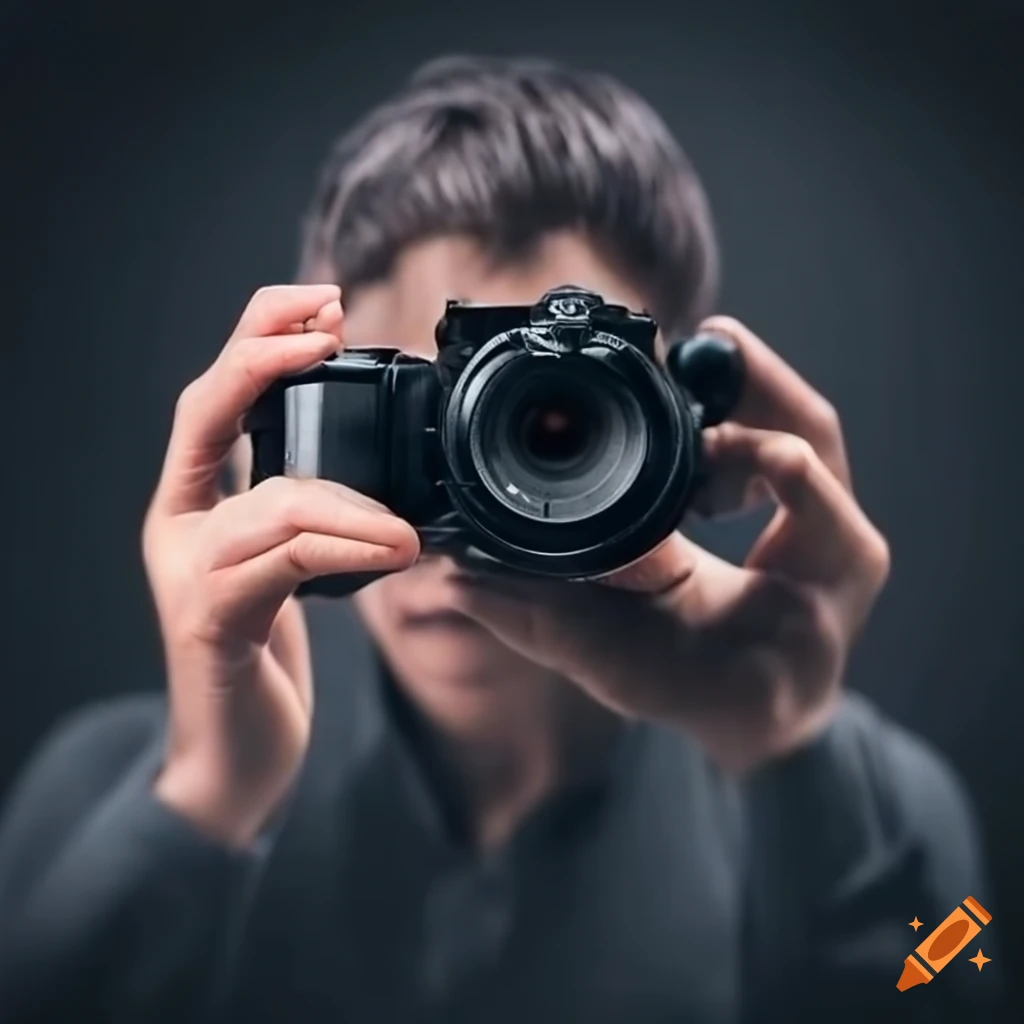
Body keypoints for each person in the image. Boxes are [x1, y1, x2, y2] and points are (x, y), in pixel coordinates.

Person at [0, 55, 1006, 1024]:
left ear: (678, 431)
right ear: (293, 419)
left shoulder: (888, 807)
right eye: (427, 411)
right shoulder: (112, 783)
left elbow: (950, 976)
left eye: (553, 416)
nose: (493, 477)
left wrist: (789, 751)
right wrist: (207, 800)